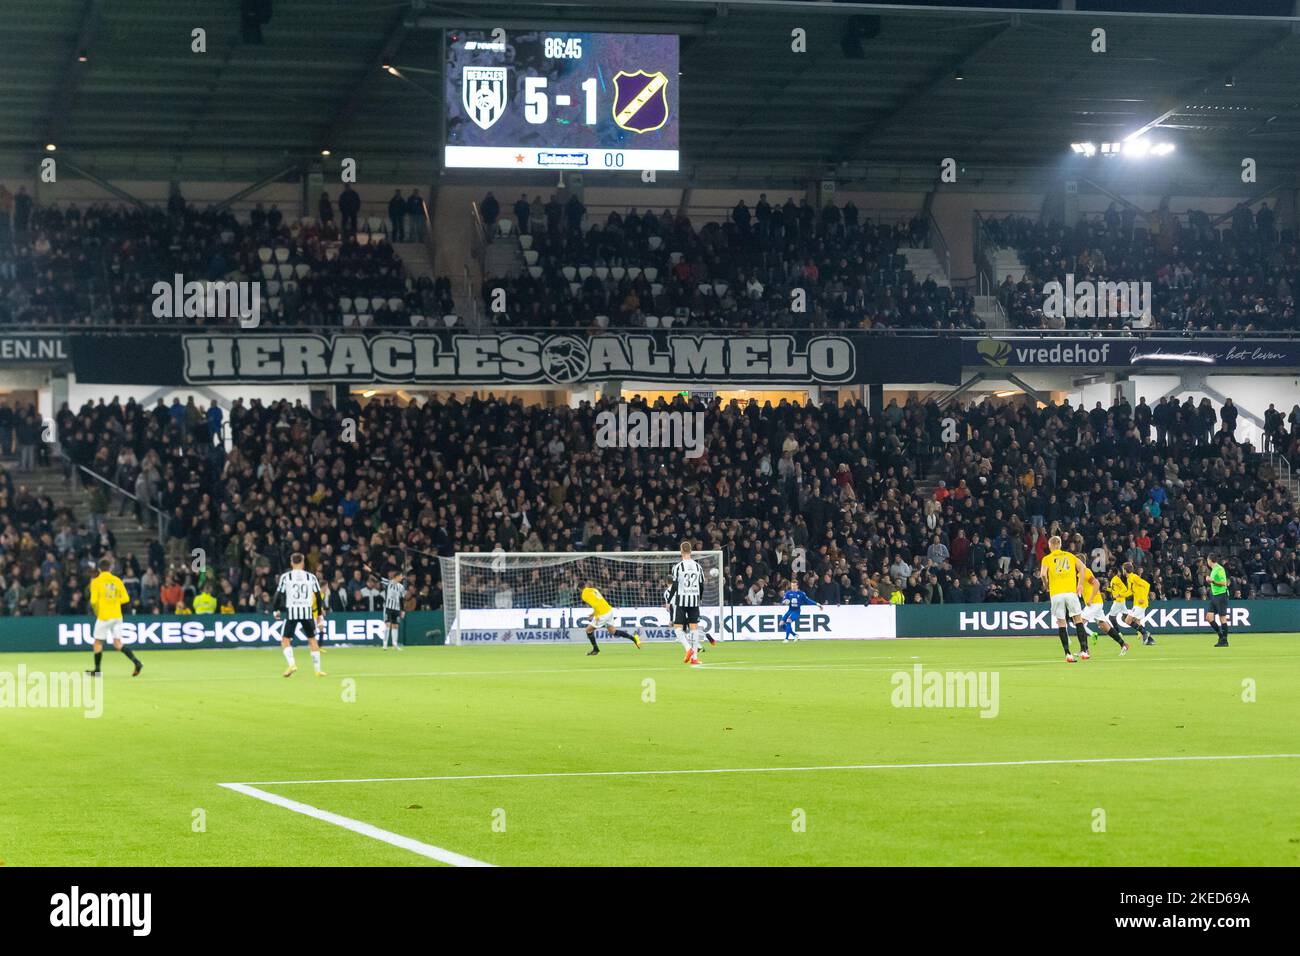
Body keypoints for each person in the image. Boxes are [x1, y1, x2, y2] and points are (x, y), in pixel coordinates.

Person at [85, 558, 142, 677]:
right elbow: (126, 598)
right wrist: (114, 601)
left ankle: (97, 670)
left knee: (97, 642)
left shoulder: (96, 581)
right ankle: (136, 662)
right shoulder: (117, 580)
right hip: (117, 615)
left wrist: (97, 610)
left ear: (99, 569)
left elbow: (93, 601)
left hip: (104, 616)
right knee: (118, 644)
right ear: (110, 568)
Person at [274, 552, 326, 677]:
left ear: (291, 563)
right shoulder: (311, 577)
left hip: (292, 611)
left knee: (285, 640)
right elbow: (318, 597)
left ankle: (292, 664)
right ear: (303, 563)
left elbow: (279, 594)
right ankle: (318, 670)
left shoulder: (286, 577)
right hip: (307, 612)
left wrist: (276, 609)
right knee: (312, 640)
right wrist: (319, 614)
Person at [1039, 534, 1089, 663]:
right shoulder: (1070, 556)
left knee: (1061, 623)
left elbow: (1043, 574)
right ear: (1060, 545)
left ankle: (1068, 654)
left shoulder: (1047, 559)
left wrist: (1046, 584)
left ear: (1050, 546)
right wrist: (1080, 584)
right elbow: (1083, 568)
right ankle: (1084, 651)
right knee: (1078, 620)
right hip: (1070, 592)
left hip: (1056, 594)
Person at [666, 541, 708, 665]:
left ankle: (688, 648)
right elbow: (701, 584)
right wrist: (700, 598)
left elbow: (674, 586)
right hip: (694, 600)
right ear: (691, 551)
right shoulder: (698, 566)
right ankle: (694, 658)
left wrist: (669, 601)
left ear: (681, 551)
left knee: (678, 628)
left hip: (682, 600)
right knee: (694, 629)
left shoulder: (678, 567)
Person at [1077, 556, 1128, 656]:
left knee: (1080, 623)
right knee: (1104, 626)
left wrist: (1090, 599)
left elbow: (1096, 584)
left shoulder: (1086, 571)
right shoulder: (1081, 573)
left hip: (1094, 603)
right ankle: (1124, 644)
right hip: (1096, 603)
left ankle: (1085, 650)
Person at [580, 585, 641, 656]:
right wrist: (593, 613)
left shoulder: (584, 594)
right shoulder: (593, 589)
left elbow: (595, 605)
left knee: (588, 630)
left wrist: (595, 615)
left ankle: (595, 650)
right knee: (613, 631)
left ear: (579, 589)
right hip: (609, 610)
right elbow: (599, 602)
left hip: (602, 614)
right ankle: (634, 639)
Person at [364, 562, 406, 650]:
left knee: (395, 626)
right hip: (388, 607)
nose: (402, 577)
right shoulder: (388, 583)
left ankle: (395, 644)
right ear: (396, 577)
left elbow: (401, 599)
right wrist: (370, 570)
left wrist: (402, 610)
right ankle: (385, 644)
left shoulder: (401, 587)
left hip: (397, 608)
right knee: (387, 625)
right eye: (400, 576)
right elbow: (378, 577)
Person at [1121, 561, 1155, 645]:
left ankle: (1145, 633)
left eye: (1123, 569)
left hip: (1140, 603)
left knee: (1127, 620)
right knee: (1137, 622)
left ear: (1125, 570)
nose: (1122, 571)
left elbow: (1147, 585)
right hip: (1137, 603)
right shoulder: (1129, 578)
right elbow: (1129, 592)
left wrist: (1143, 598)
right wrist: (1120, 595)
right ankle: (1150, 640)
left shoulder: (1134, 577)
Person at [779, 578, 820, 642]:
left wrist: (817, 604)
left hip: (796, 611)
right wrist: (784, 602)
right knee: (781, 624)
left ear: (797, 586)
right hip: (790, 610)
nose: (793, 587)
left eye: (794, 585)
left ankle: (786, 639)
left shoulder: (801, 593)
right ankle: (795, 635)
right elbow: (783, 601)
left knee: (788, 621)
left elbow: (808, 600)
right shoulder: (788, 593)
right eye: (792, 585)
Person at [1205, 554, 1231, 647]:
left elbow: (1224, 583)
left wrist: (1212, 581)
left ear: (1210, 560)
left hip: (1221, 595)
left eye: (1207, 560)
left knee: (1222, 617)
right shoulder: (1213, 570)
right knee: (1209, 617)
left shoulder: (1219, 569)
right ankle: (1220, 636)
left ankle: (1225, 640)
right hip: (1215, 596)